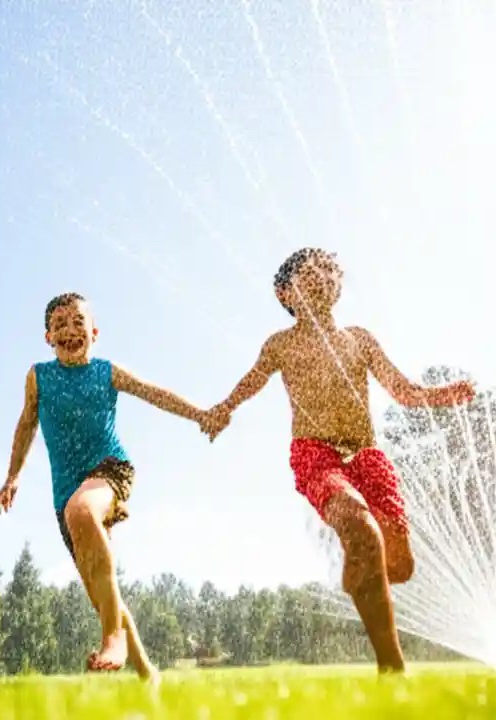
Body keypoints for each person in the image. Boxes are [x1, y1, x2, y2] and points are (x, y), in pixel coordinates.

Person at [202, 248, 475, 673]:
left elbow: (403, 391)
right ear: (284, 293)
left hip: (367, 456)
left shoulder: (359, 338)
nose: (323, 276)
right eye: (310, 272)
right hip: (316, 454)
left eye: (329, 270)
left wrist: (440, 396)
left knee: (399, 564)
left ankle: (358, 563)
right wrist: (225, 408)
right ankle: (392, 670)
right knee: (362, 530)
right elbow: (251, 381)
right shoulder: (281, 344)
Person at [0, 291, 210, 681]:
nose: (69, 330)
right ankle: (147, 673)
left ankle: (113, 639)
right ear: (48, 337)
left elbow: (154, 393)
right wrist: (12, 477)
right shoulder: (38, 377)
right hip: (66, 493)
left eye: (79, 322)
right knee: (102, 595)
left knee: (83, 510)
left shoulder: (106, 372)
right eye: (59, 325)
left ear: (95, 332)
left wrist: (200, 414)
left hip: (111, 469)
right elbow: (26, 424)